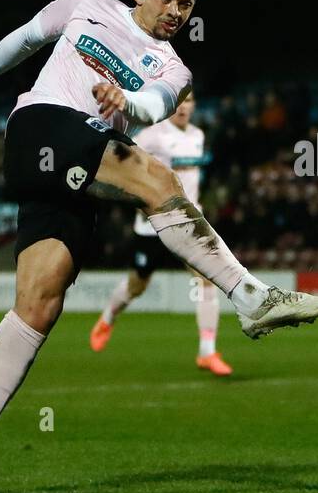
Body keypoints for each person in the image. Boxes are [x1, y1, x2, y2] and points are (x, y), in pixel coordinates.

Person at [0, 0, 318, 493]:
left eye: (188, 4)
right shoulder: (87, 3)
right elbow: (27, 37)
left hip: (80, 160)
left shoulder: (175, 69)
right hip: (43, 125)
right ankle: (249, 295)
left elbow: (154, 105)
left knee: (39, 303)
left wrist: (127, 100)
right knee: (157, 178)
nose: (176, 11)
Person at [90, 95, 234, 377]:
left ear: (194, 106)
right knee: (137, 286)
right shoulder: (151, 136)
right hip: (152, 225)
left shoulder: (198, 135)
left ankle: (207, 351)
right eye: (179, 101)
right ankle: (108, 317)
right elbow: (126, 165)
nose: (184, 106)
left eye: (190, 100)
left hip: (189, 223)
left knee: (207, 280)